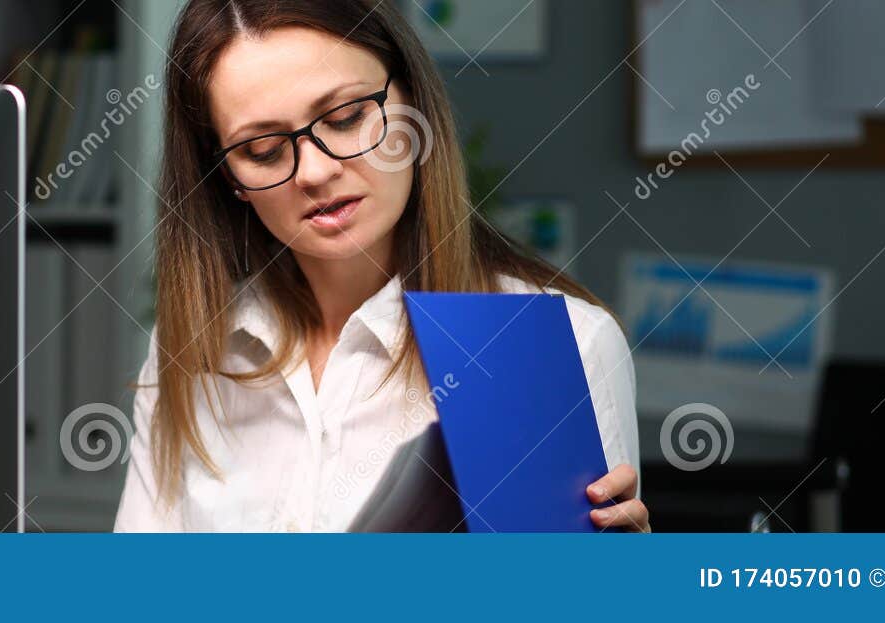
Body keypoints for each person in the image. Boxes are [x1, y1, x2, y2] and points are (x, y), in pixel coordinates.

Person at [114, 0, 647, 532]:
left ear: (412, 104)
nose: (316, 172)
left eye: (347, 118)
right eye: (264, 150)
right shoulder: (192, 350)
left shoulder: (560, 346)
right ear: (228, 178)